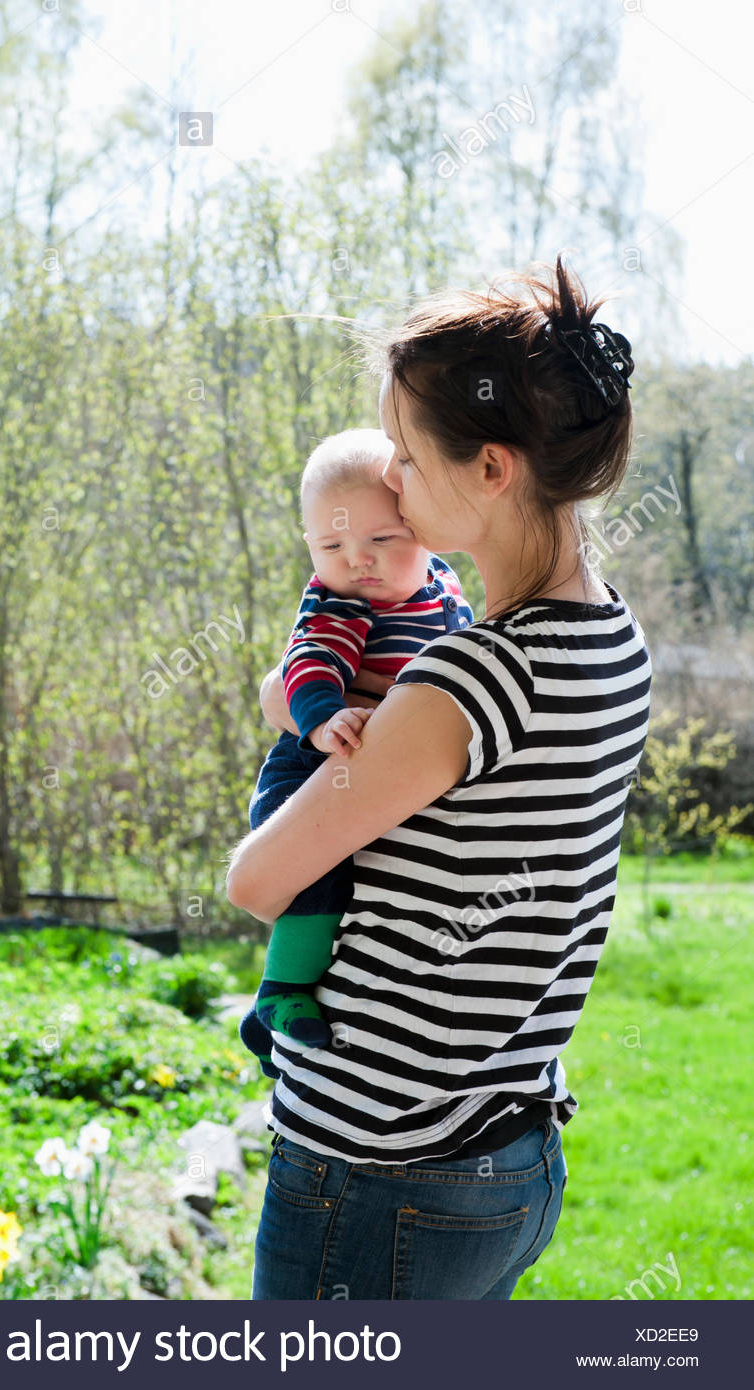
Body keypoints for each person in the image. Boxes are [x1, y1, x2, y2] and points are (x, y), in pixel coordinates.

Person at [226, 253, 652, 1301]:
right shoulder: (612, 640)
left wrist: (290, 713)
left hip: (377, 1168)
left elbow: (257, 881)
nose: (391, 486)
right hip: (508, 1146)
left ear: (493, 467)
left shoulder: (463, 678)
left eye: (406, 460)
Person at [239, 427, 474, 1077]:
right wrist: (320, 721)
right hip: (310, 760)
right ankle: (280, 993)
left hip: (373, 763)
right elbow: (309, 664)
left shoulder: (443, 588)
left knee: (366, 888)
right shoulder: (339, 602)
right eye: (330, 545)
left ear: (420, 530)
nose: (356, 560)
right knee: (321, 877)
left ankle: (278, 1013)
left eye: (380, 540)